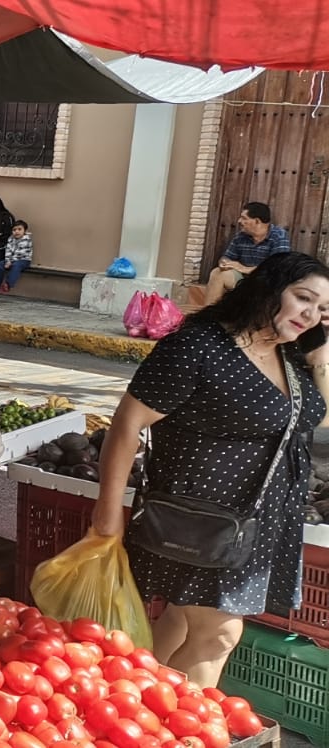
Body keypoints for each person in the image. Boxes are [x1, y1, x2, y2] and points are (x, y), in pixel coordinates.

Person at [90, 252, 329, 688]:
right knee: (219, 634)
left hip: (250, 527)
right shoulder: (198, 346)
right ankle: (179, 729)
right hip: (198, 520)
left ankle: (131, 706)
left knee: (181, 619)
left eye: (322, 310)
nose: (310, 315)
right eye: (303, 298)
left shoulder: (288, 356)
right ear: (270, 289)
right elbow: (126, 424)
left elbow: (321, 415)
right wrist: (106, 518)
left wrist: (321, 353)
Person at [205, 201, 292, 306]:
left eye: (244, 218)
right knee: (217, 273)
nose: (239, 221)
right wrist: (225, 263)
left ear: (257, 221)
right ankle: (208, 318)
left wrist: (244, 269)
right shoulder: (241, 236)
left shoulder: (279, 236)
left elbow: (277, 266)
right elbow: (227, 256)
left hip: (267, 282)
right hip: (244, 280)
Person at [0, 220, 33, 294]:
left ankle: (8, 284)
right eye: (14, 230)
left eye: (19, 229)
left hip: (23, 260)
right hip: (11, 260)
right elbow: (8, 251)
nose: (17, 231)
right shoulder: (11, 239)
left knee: (16, 266)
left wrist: (10, 262)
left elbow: (20, 253)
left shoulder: (26, 239)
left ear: (25, 231)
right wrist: (7, 261)